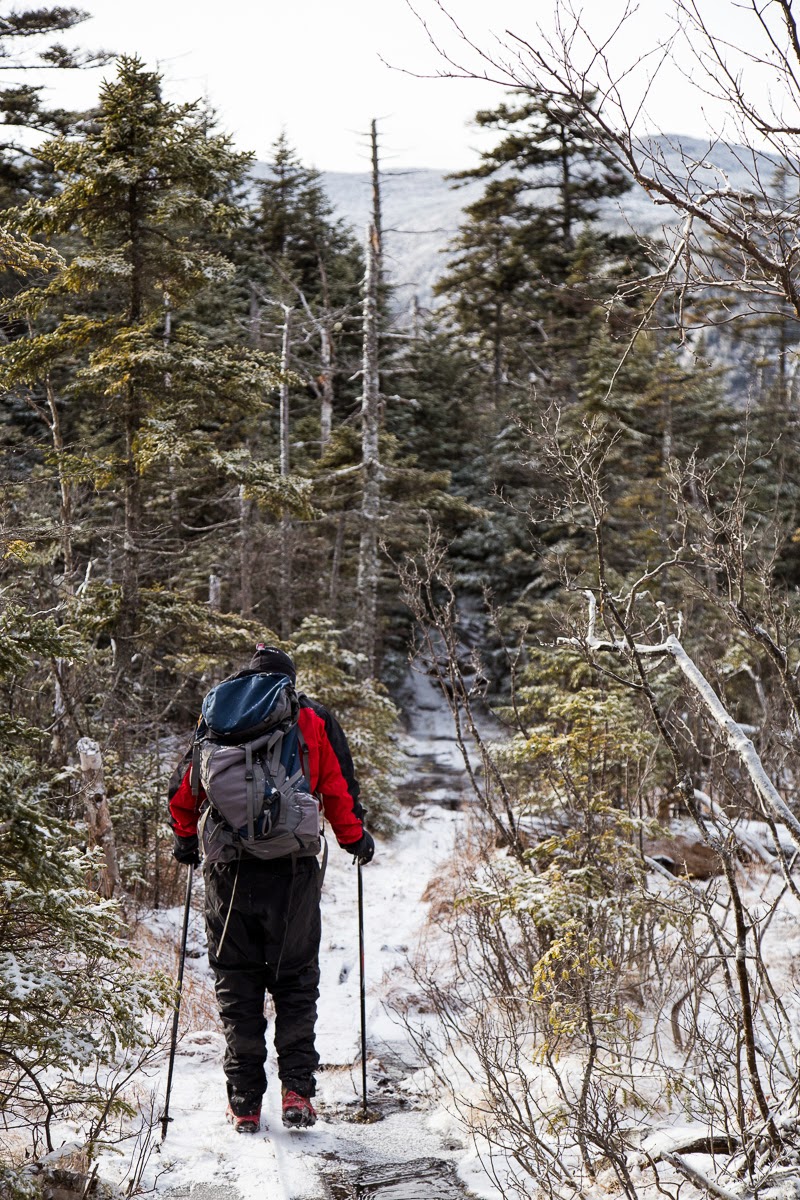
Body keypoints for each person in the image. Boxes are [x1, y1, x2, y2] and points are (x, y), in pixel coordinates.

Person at [168, 643, 375, 1134]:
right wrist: (355, 838)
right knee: (296, 980)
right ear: (289, 680)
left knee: (237, 983)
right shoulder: (311, 718)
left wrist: (184, 840)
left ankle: (244, 1102)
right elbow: (337, 789)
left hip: (228, 871)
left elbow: (186, 789)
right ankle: (297, 1091)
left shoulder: (217, 718)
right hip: (293, 870)